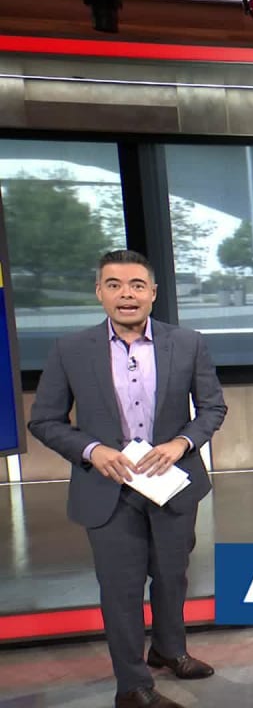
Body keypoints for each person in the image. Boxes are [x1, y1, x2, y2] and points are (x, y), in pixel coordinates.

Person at [28, 250, 226, 708]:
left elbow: (212, 407)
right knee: (121, 588)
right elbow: (44, 420)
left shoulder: (189, 343)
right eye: (114, 284)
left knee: (173, 576)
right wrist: (92, 452)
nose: (126, 294)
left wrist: (182, 443)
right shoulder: (71, 349)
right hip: (108, 490)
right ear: (99, 293)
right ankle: (133, 686)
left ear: (153, 294)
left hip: (172, 484)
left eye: (137, 284)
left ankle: (169, 650)